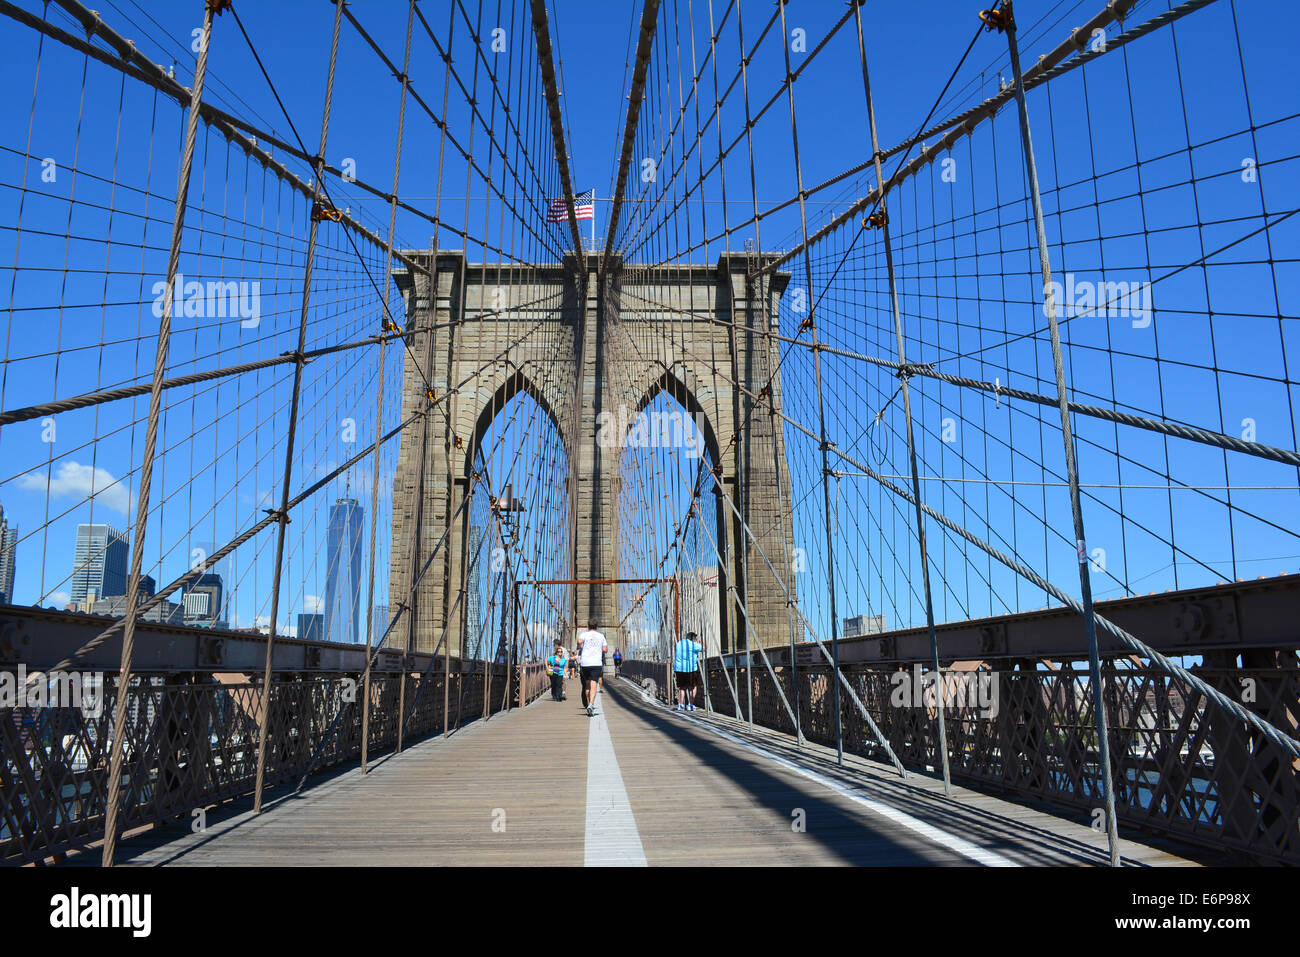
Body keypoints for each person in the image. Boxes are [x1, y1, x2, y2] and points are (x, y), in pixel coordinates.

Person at [577, 620, 608, 717]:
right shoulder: (601, 636)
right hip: (596, 663)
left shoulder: (584, 634)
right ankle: (591, 704)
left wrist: (580, 646)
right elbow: (605, 649)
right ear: (597, 626)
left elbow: (579, 641)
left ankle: (588, 704)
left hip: (585, 663)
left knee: (587, 685)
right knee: (594, 683)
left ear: (587, 626)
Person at [673, 630, 704, 712]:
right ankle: (691, 705)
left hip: (679, 669)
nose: (696, 640)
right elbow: (704, 649)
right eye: (695, 639)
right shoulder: (694, 645)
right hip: (691, 669)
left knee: (682, 687)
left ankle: (680, 705)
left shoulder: (679, 643)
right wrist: (701, 643)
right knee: (693, 686)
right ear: (693, 638)